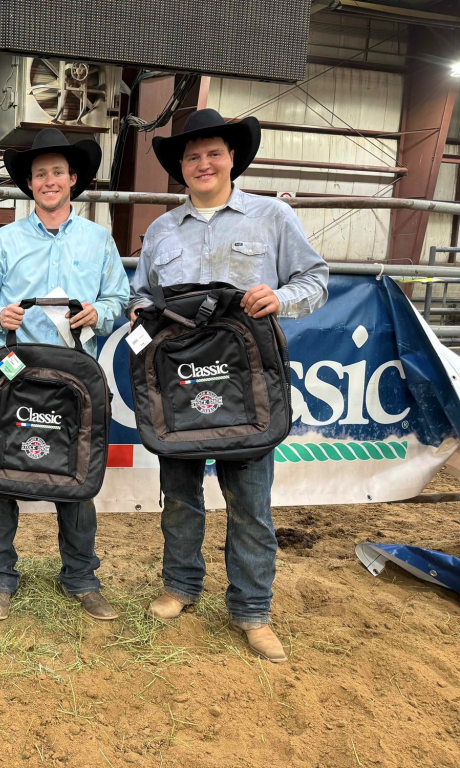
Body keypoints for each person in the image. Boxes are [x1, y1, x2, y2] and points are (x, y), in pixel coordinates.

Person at [129, 108, 329, 663]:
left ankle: (252, 610)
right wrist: (138, 314)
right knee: (181, 496)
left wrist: (280, 299)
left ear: (233, 158)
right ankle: (180, 587)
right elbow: (141, 293)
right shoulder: (163, 229)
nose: (203, 164)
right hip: (182, 384)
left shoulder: (271, 217)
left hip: (247, 384)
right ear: (181, 168)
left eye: (213, 153)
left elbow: (315, 279)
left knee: (251, 503)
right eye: (192, 157)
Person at [0, 128, 129, 621]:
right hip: (15, 371)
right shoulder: (4, 240)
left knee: (76, 471)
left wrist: (96, 315)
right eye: (40, 174)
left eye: (58, 172)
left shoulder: (99, 241)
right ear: (30, 184)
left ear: (73, 179)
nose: (50, 181)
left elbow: (119, 300)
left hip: (74, 376)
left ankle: (81, 576)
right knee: (0, 471)